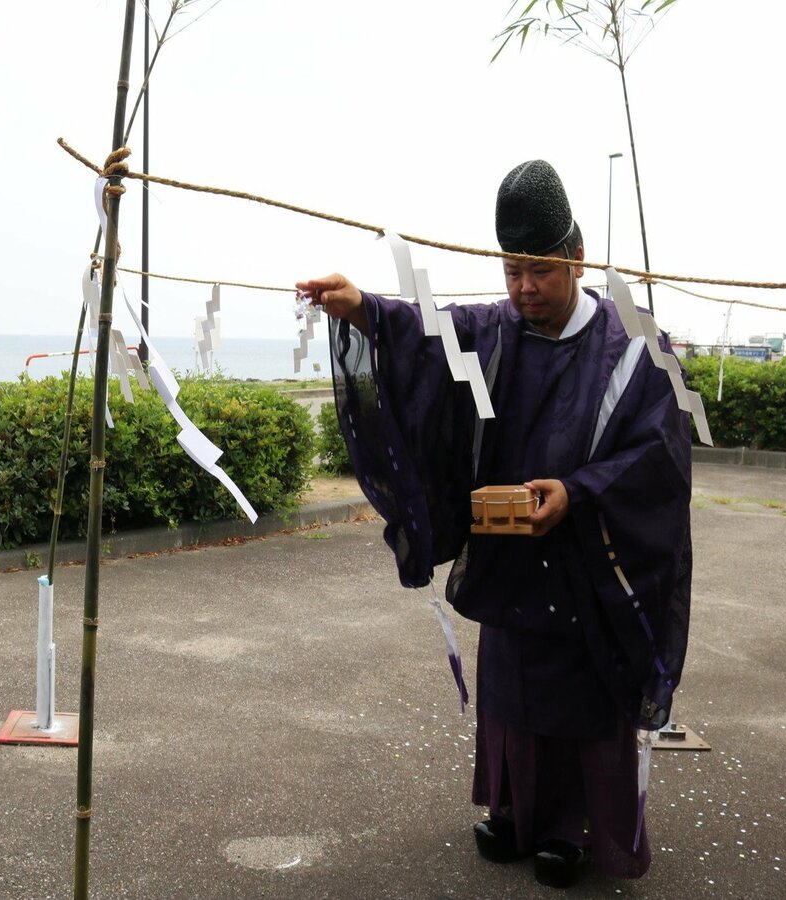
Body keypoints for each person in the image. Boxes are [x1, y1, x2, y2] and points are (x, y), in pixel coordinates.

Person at [296, 160, 692, 889]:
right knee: (512, 691)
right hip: (510, 556)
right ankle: (515, 813)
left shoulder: (634, 349)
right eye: (511, 271)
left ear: (575, 257)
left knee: (578, 696)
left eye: (538, 271)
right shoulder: (498, 331)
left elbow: (659, 459)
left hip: (586, 564)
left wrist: (576, 492)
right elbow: (431, 335)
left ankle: (574, 831)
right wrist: (366, 311)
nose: (523, 289)